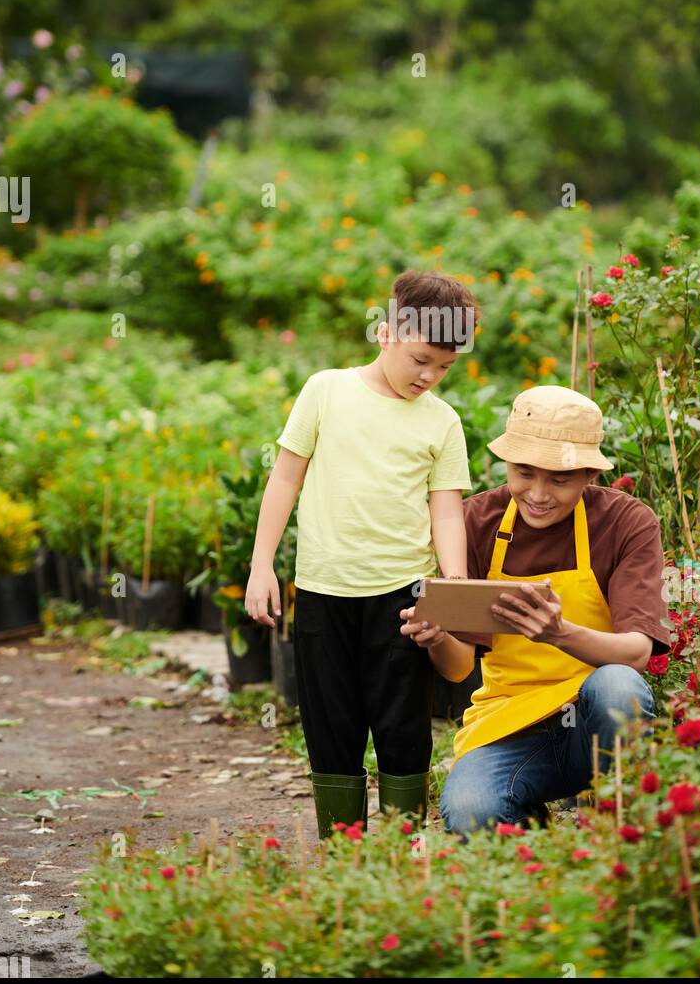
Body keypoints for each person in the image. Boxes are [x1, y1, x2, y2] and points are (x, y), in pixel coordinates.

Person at [243, 270, 478, 839]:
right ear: (385, 334)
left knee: (403, 729)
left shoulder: (442, 422)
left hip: (405, 599)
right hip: (325, 592)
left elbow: (445, 510)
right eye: (421, 359)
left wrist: (454, 584)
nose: (430, 376)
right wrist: (260, 565)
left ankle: (397, 855)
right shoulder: (326, 390)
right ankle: (343, 855)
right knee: (332, 728)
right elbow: (284, 480)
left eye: (445, 367)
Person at [401, 385, 670, 835]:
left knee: (618, 686)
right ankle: (528, 827)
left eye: (559, 480)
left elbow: (636, 653)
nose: (538, 494)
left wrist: (559, 633)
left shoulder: (627, 522)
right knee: (470, 811)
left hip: (593, 719)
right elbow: (456, 669)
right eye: (523, 473)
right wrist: (438, 638)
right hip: (511, 720)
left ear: (589, 475)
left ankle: (614, 824)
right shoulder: (476, 522)